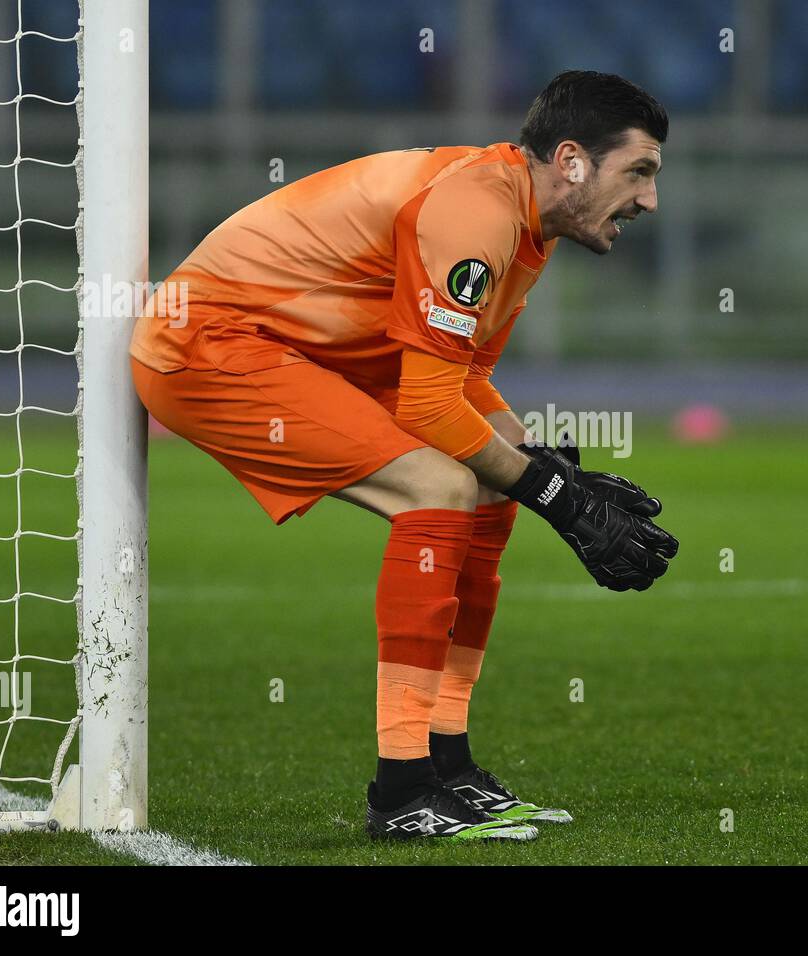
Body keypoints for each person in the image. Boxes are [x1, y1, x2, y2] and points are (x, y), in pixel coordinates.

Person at [130, 71, 679, 841]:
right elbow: (427, 408)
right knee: (439, 486)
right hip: (213, 344)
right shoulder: (475, 214)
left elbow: (462, 380)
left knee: (489, 485)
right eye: (641, 172)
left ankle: (447, 765)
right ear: (573, 161)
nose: (650, 200)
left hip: (319, 351)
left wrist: (559, 482)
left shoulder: (523, 217)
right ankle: (401, 791)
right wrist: (561, 500)